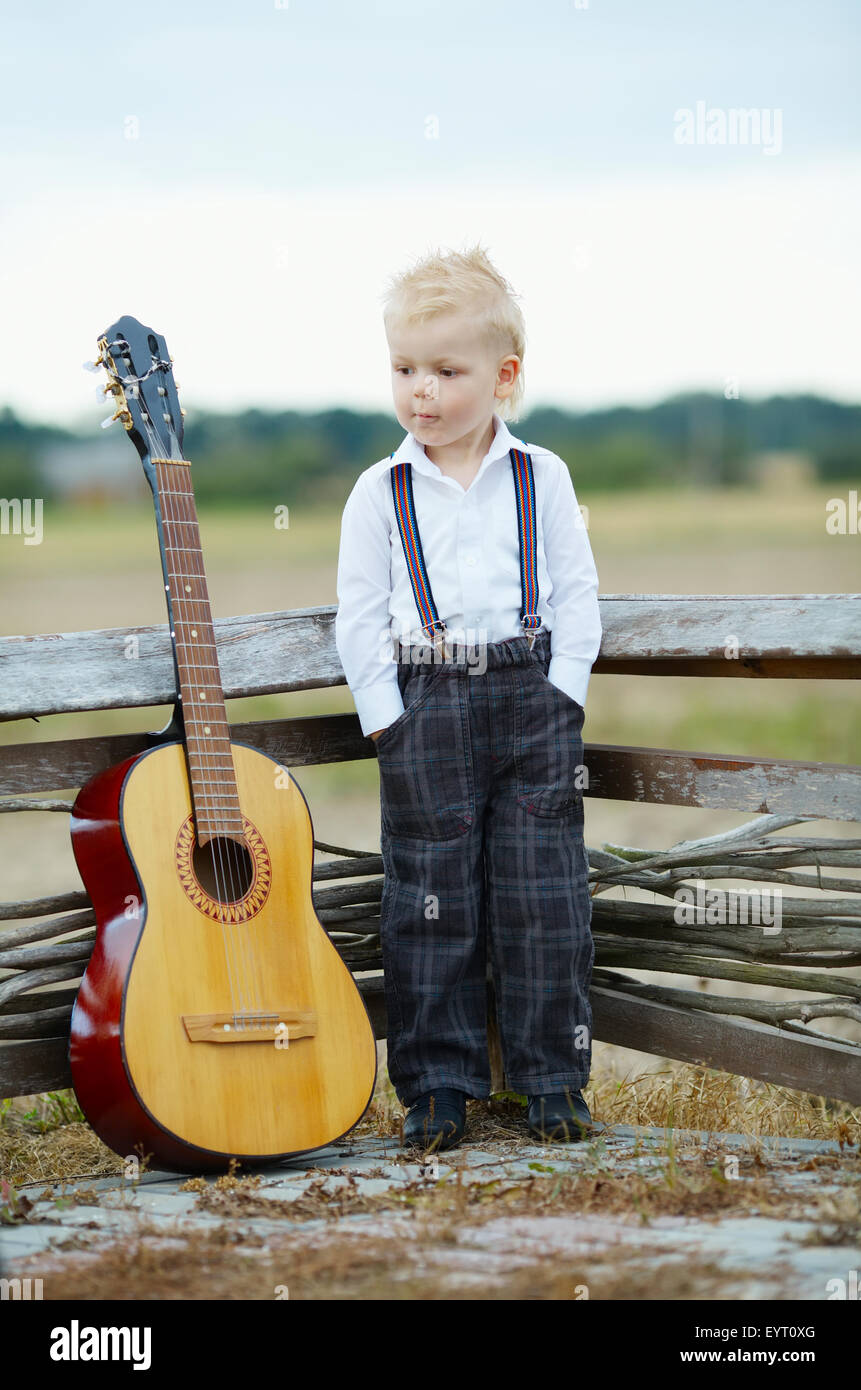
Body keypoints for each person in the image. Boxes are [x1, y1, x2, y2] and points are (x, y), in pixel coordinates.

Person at [335, 244, 603, 1151]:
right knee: (427, 902)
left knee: (544, 900)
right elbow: (359, 617)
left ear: (503, 376)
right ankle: (437, 1088)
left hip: (532, 703)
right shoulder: (380, 492)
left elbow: (578, 599)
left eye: (446, 370)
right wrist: (388, 721)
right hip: (426, 709)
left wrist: (562, 696)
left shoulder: (543, 478)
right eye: (404, 368)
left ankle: (551, 1082)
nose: (422, 391)